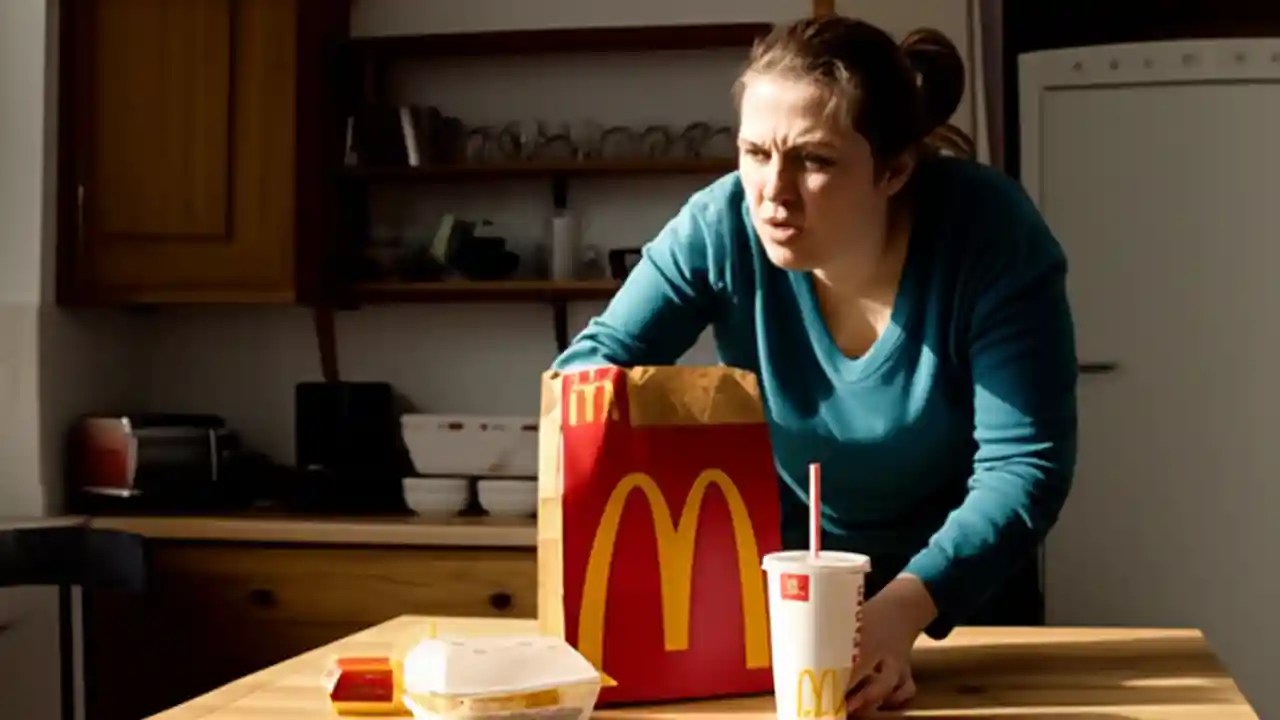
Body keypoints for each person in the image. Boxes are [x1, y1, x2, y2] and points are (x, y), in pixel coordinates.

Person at [551, 15, 1078, 716]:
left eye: (815, 161)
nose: (774, 192)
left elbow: (1024, 466)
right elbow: (589, 378)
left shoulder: (990, 232)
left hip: (957, 603)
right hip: (787, 603)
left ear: (893, 170)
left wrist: (900, 612)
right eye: (754, 152)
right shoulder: (719, 226)